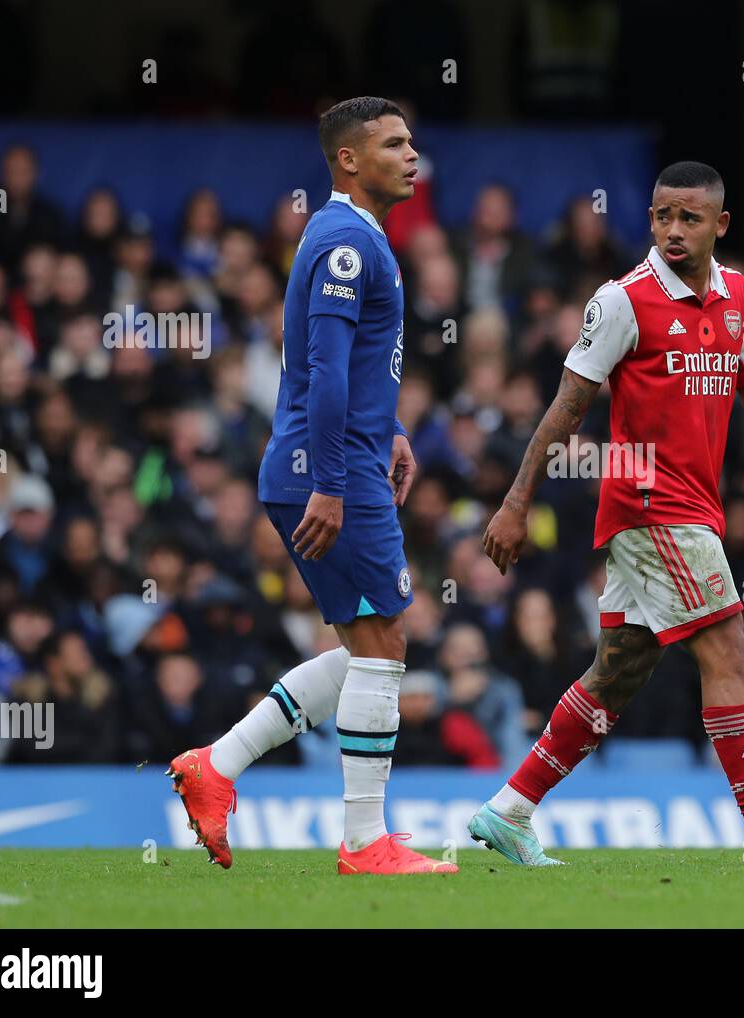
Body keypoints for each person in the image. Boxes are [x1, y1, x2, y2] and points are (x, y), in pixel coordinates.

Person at [471, 161, 744, 867]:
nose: (673, 230)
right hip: (649, 502)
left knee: (616, 674)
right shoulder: (623, 300)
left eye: (689, 218)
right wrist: (515, 503)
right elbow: (567, 404)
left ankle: (509, 810)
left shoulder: (738, 295)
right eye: (661, 216)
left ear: (721, 224)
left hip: (695, 506)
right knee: (726, 648)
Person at [165, 97, 455, 876]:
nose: (410, 153)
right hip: (329, 472)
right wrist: (331, 480)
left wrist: (386, 426)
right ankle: (364, 843)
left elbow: (342, 370)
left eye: (411, 140)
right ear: (349, 160)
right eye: (392, 143)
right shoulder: (347, 244)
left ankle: (216, 768)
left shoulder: (353, 237)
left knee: (371, 644)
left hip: (344, 459)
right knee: (386, 645)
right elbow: (322, 372)